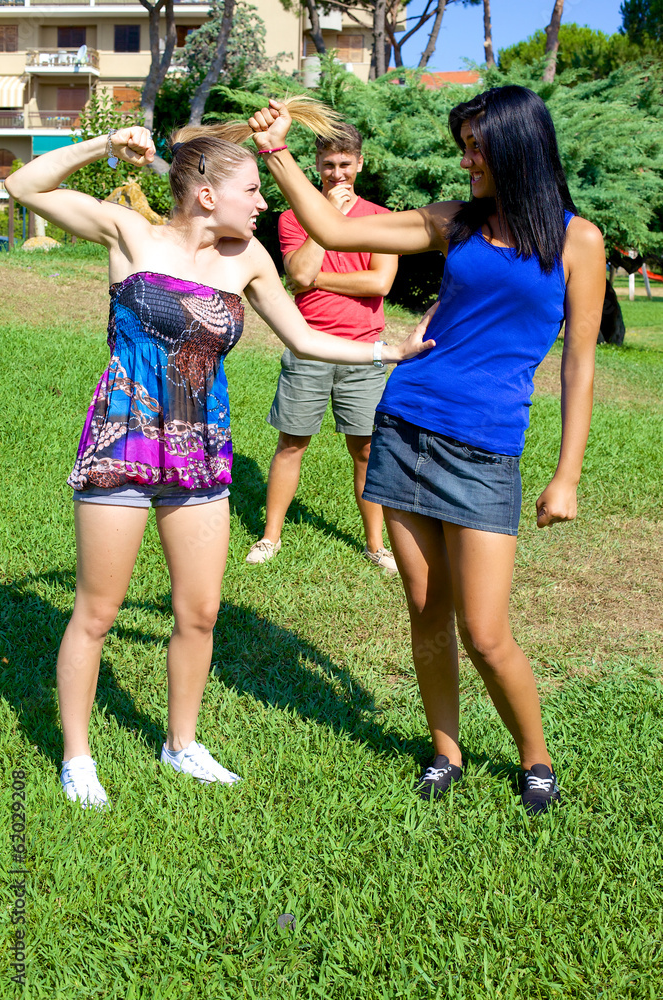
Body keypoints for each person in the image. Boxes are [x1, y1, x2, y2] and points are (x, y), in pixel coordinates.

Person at [5, 101, 432, 809]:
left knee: (199, 611)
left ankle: (182, 742)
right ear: (207, 195)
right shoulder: (130, 233)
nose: (263, 203)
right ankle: (77, 756)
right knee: (97, 611)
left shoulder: (248, 260)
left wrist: (387, 348)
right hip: (125, 436)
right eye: (252, 191)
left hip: (201, 448)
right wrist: (108, 143)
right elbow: (26, 188)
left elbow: (303, 338)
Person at [247, 86, 605, 813]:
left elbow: (578, 364)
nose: (467, 159)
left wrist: (565, 474)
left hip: (485, 449)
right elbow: (333, 231)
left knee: (483, 629)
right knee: (424, 609)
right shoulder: (455, 222)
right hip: (407, 424)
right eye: (463, 146)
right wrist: (277, 150)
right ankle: (446, 750)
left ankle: (533, 758)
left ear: (516, 147)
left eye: (477, 146)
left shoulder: (578, 240)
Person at [245, 124, 399, 574]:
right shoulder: (295, 216)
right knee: (292, 444)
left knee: (367, 450)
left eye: (345, 165)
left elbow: (380, 282)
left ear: (360, 163)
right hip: (308, 347)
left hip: (364, 350)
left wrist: (318, 280)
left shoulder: (380, 217)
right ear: (316, 166)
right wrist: (324, 219)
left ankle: (375, 545)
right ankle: (270, 537)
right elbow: (297, 272)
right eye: (328, 165)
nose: (337, 174)